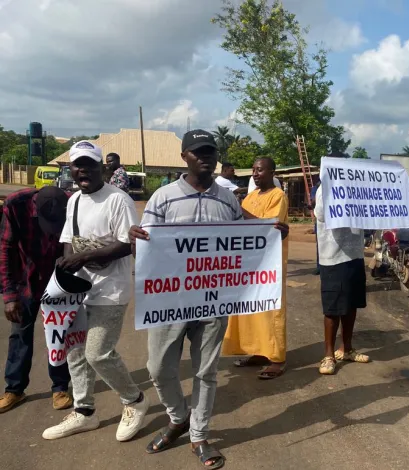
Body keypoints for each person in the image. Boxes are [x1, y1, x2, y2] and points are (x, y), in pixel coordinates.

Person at [129, 130, 243, 469]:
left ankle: (198, 435)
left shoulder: (228, 199)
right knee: (158, 368)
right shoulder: (162, 198)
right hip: (169, 302)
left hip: (212, 301)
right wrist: (136, 238)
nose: (205, 157)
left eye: (210, 151)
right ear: (185, 157)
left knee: (206, 372)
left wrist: (268, 231)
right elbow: (146, 247)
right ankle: (177, 418)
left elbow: (242, 244)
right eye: (197, 152)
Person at [42, 140, 148, 441]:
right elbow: (68, 239)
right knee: (74, 351)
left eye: (89, 164)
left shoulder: (118, 199)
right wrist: (66, 265)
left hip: (110, 290)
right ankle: (84, 411)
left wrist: (84, 257)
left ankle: (135, 401)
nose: (83, 170)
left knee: (98, 353)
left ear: (102, 167)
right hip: (78, 290)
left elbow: (129, 243)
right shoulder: (74, 200)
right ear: (71, 169)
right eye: (78, 165)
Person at [0, 186, 72, 413]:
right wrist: (9, 295)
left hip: (58, 282)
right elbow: (5, 249)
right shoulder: (15, 205)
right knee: (20, 334)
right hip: (27, 280)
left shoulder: (72, 202)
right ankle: (14, 389)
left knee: (59, 334)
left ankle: (60, 387)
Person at [223, 157, 290, 379]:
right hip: (248, 264)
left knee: (271, 310)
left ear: (272, 172)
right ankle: (259, 352)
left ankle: (277, 359)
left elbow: (268, 227)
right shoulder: (250, 197)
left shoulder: (278, 196)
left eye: (260, 170)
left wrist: (238, 210)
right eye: (253, 170)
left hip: (269, 265)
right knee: (252, 310)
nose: (255, 174)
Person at [314, 180, 370, 375]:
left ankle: (346, 348)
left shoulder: (358, 189)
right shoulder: (324, 189)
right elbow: (320, 214)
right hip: (333, 256)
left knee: (351, 304)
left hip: (354, 254)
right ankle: (329, 355)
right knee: (333, 307)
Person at [310, 180, 321, 275]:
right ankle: (320, 266)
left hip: (322, 220)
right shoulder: (317, 186)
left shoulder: (316, 187)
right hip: (322, 219)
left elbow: (313, 202)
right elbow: (313, 201)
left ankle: (320, 267)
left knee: (320, 243)